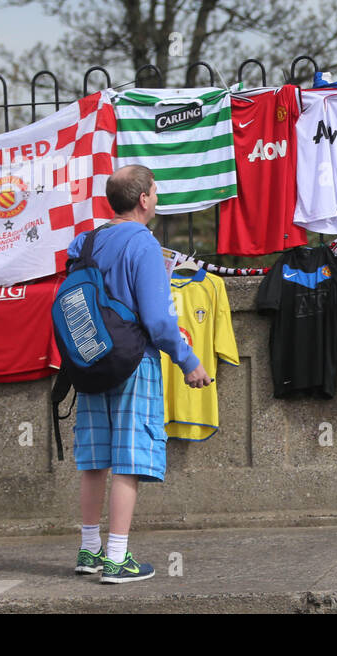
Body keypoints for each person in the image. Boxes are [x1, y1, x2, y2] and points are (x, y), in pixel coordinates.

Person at [69, 164, 212, 584]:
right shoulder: (143, 245)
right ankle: (117, 558)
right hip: (132, 362)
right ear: (144, 199)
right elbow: (159, 320)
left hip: (91, 359)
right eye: (154, 190)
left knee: (94, 459)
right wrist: (189, 362)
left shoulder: (84, 242)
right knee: (129, 459)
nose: (156, 196)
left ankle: (89, 548)